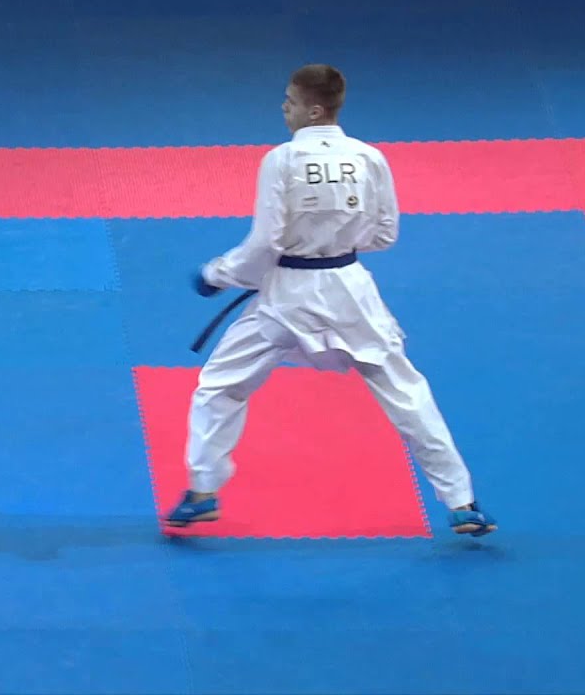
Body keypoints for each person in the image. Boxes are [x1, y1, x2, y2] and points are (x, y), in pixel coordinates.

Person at [165, 64, 497, 537]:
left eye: (290, 101)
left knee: (220, 385)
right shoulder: (370, 157)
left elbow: (265, 243)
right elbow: (385, 235)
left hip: (287, 298)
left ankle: (202, 492)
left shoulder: (280, 160)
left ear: (313, 109)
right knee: (408, 394)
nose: (283, 107)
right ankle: (462, 503)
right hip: (350, 290)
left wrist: (216, 275)